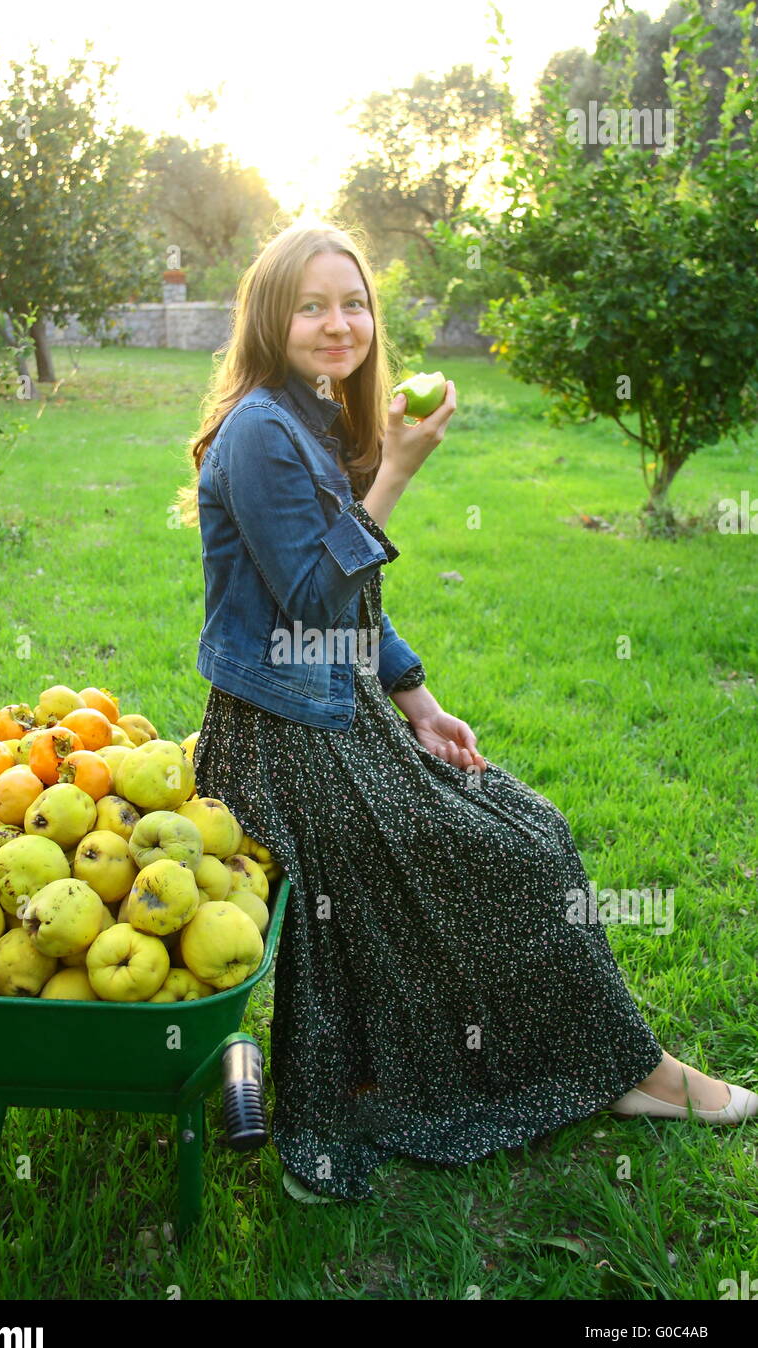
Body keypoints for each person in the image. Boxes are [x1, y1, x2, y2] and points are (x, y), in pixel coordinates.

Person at [175, 219, 758, 1202]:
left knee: (525, 827)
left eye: (352, 302)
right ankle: (626, 1074)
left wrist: (418, 700)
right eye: (310, 305)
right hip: (279, 743)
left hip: (339, 712)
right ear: (269, 321)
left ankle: (611, 1068)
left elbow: (354, 608)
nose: (337, 323)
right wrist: (396, 471)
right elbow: (313, 600)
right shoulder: (261, 433)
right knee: (513, 852)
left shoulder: (306, 418)